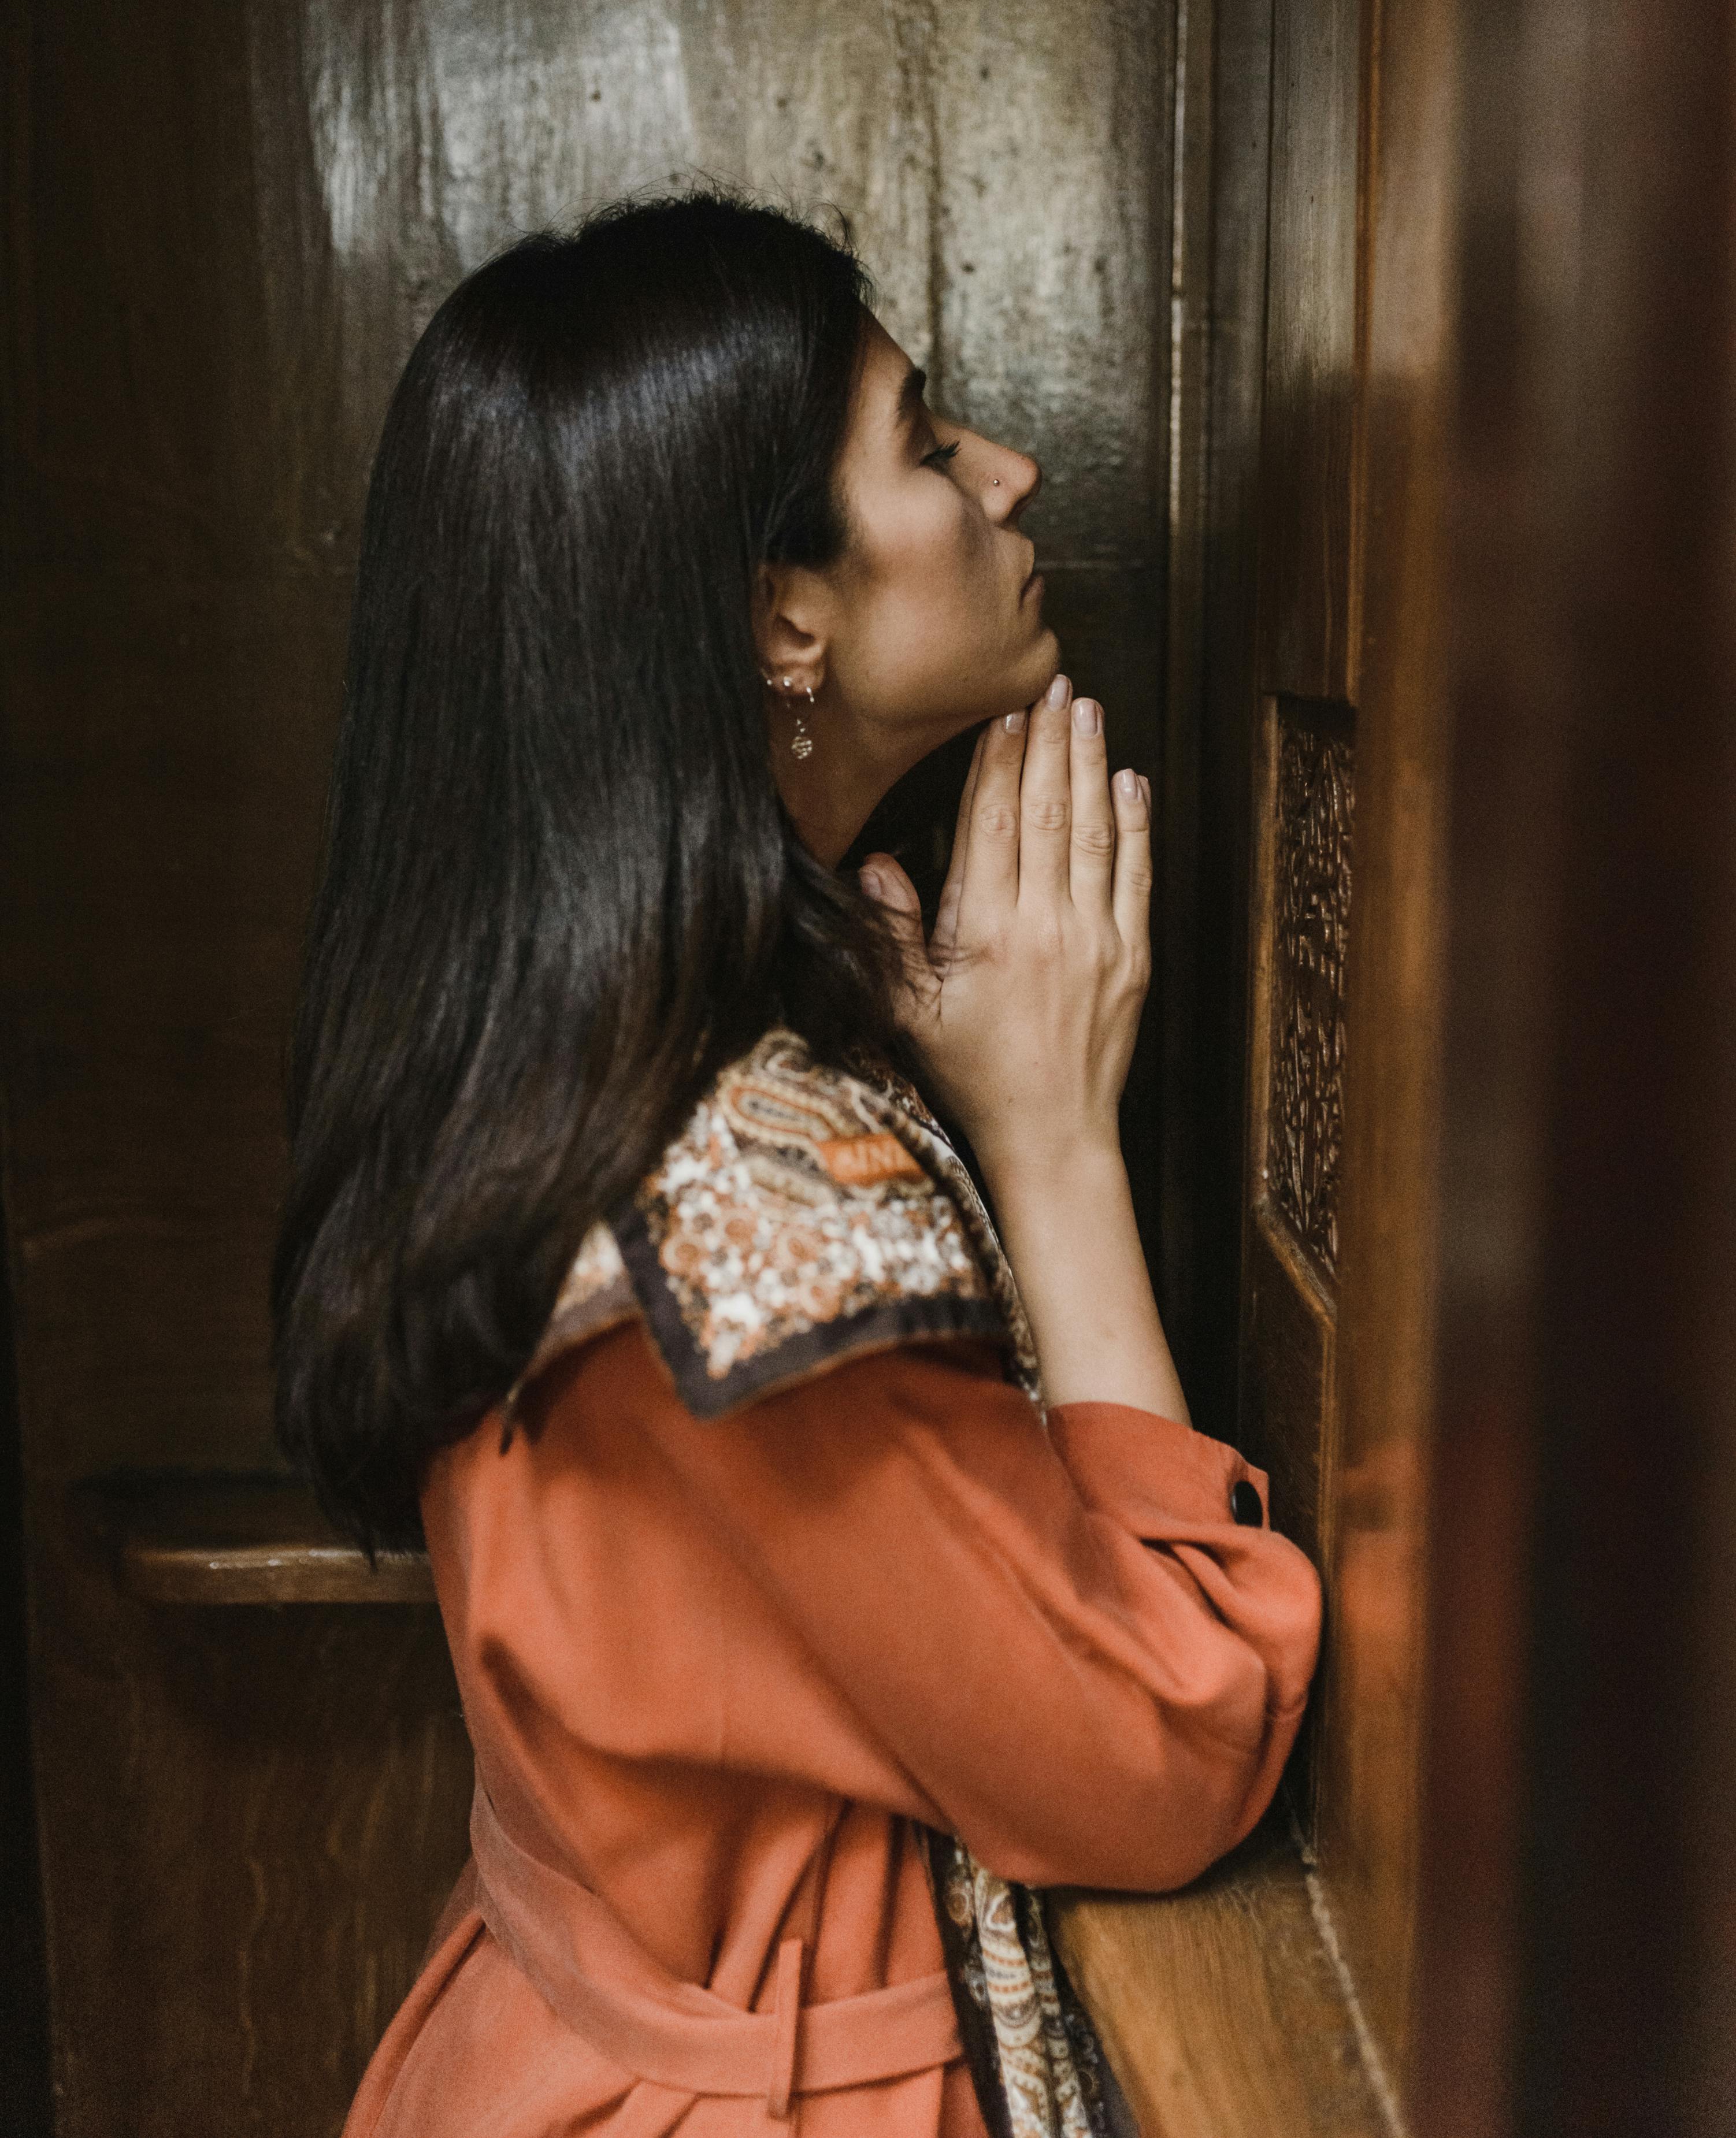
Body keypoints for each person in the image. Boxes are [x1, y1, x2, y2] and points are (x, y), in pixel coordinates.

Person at [271, 192, 1320, 2138]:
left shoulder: (566, 1052)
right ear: (781, 615)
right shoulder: (731, 1219)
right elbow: (1163, 1744)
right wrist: (1053, 1137)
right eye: (926, 444)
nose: (1006, 474)